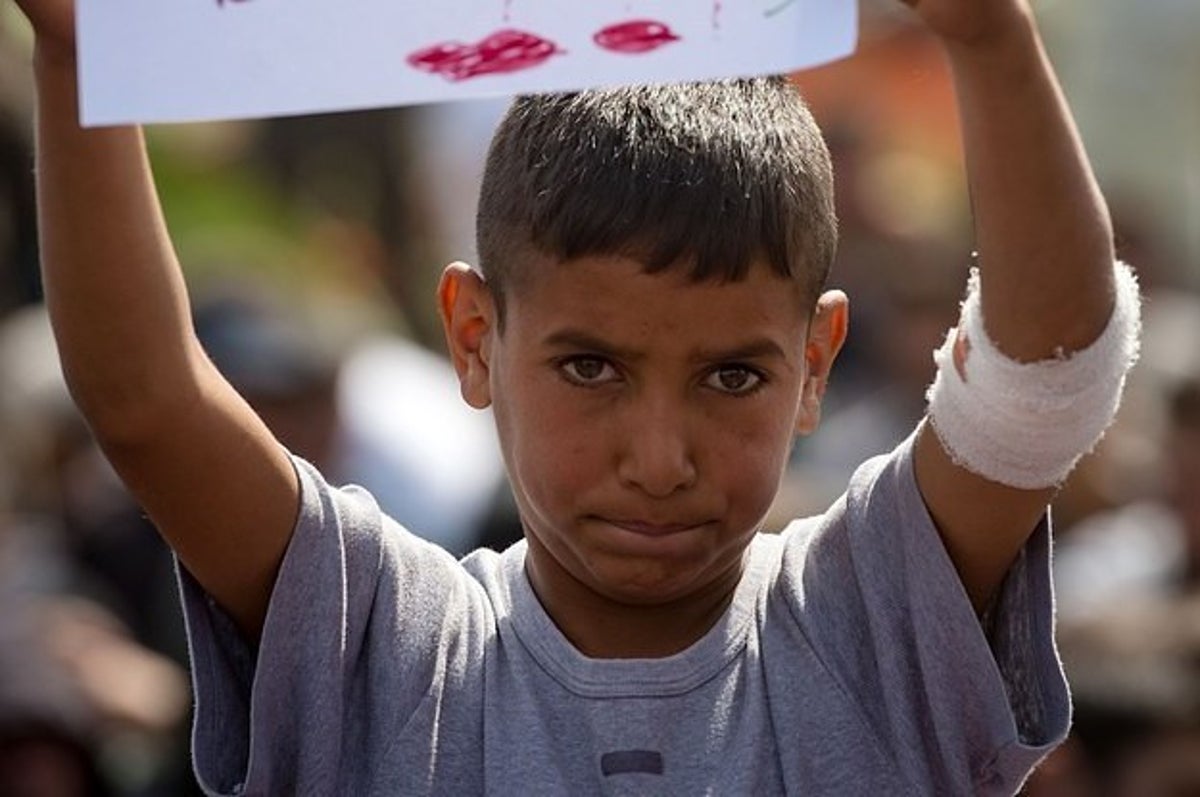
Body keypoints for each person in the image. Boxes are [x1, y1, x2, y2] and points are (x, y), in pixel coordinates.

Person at [13, 0, 1141, 794]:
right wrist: (74, 55)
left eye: (733, 376)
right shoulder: (388, 644)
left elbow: (1045, 379)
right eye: (591, 368)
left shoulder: (869, 626)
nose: (659, 458)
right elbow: (146, 403)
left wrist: (990, 37)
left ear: (816, 363)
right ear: (474, 337)